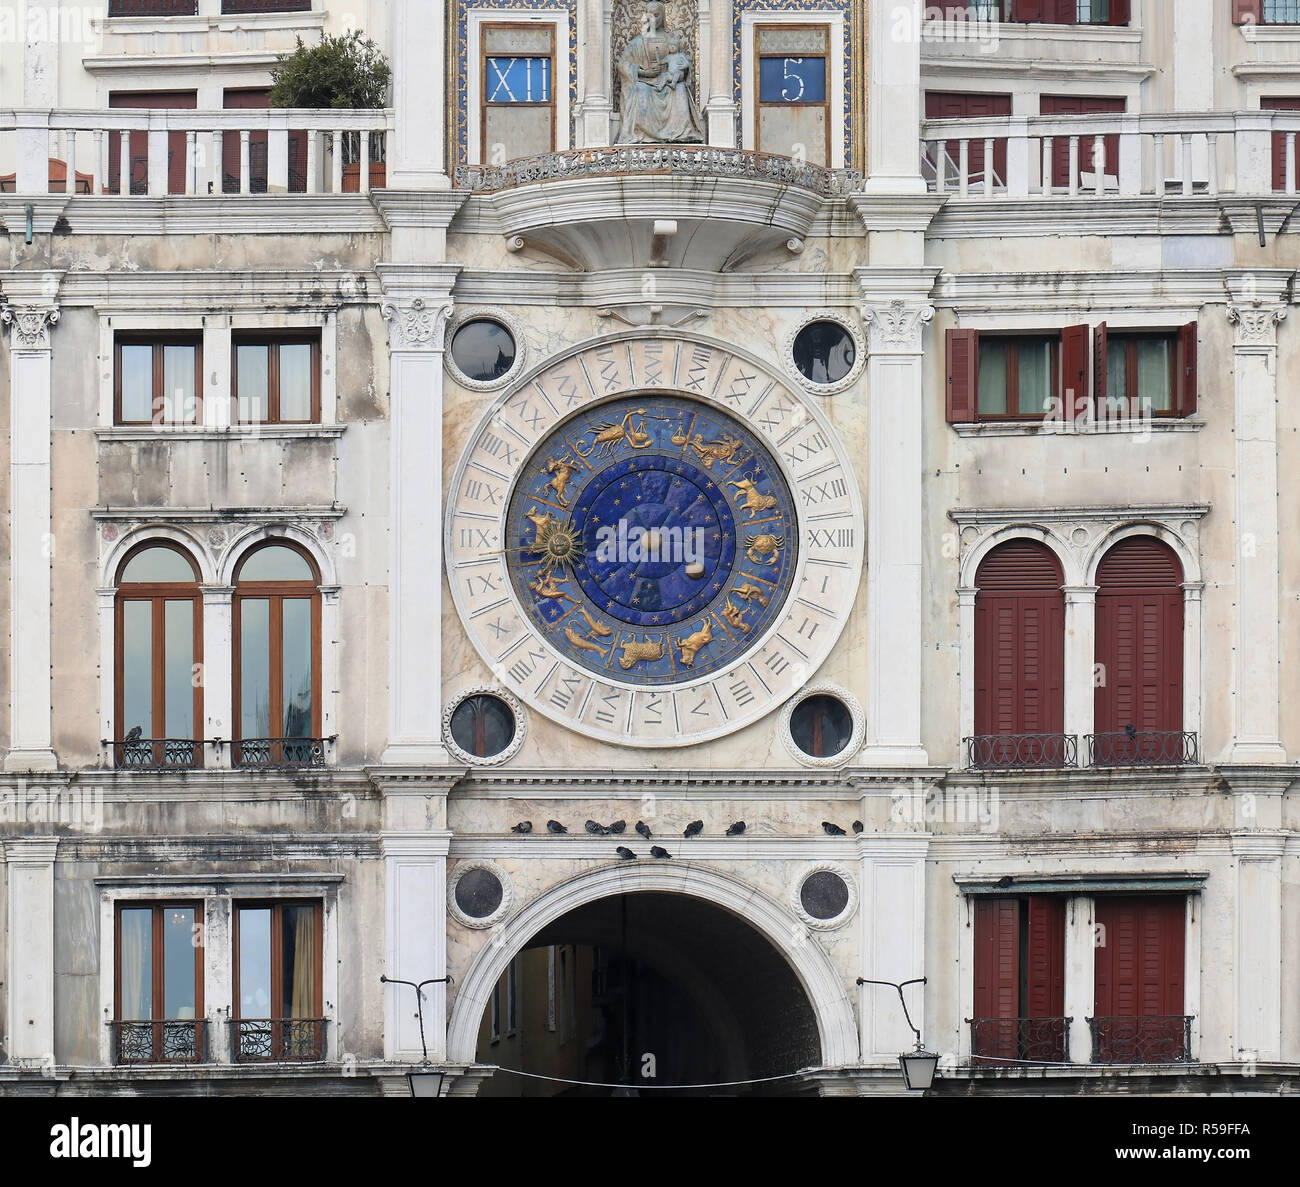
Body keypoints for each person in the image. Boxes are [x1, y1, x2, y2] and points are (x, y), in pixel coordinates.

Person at [616, 1, 705, 144]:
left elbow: (681, 64)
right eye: (649, 15)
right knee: (641, 90)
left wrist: (680, 74)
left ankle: (681, 134)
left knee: (680, 89)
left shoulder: (671, 40)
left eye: (656, 15)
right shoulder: (638, 42)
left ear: (662, 16)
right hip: (645, 82)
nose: (653, 19)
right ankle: (644, 135)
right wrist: (642, 73)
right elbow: (622, 64)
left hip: (669, 81)